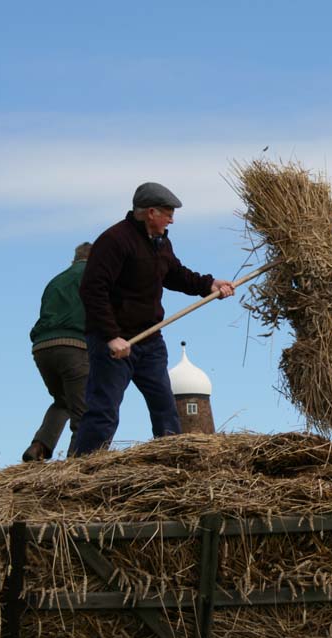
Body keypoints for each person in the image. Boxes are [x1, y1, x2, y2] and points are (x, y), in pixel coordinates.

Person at [70, 182, 235, 456]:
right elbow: (92, 289)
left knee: (165, 407)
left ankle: (174, 462)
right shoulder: (114, 241)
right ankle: (82, 466)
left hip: (150, 339)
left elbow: (176, 274)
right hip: (115, 343)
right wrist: (111, 336)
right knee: (104, 410)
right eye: (168, 213)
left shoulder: (161, 242)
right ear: (150, 212)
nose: (172, 219)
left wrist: (210, 285)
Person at [23, 242, 92, 462]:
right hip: (73, 346)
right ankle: (76, 462)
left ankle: (39, 446)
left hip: (42, 348)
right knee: (84, 410)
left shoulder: (55, 281)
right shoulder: (93, 276)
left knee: (63, 401)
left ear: (74, 259)